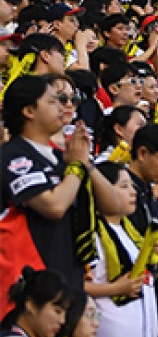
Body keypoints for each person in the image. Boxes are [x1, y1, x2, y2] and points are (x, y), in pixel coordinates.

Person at [0, 75, 120, 303]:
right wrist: (75, 166)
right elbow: (53, 206)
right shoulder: (13, 155)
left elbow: (113, 205)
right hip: (33, 286)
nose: (65, 106)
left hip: (69, 279)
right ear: (29, 111)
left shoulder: (62, 157)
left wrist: (84, 162)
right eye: (54, 100)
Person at [87, 161, 158, 337]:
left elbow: (141, 282)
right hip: (112, 330)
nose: (133, 193)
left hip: (143, 331)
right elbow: (77, 284)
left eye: (132, 186)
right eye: (123, 186)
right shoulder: (91, 234)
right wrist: (115, 289)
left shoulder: (131, 232)